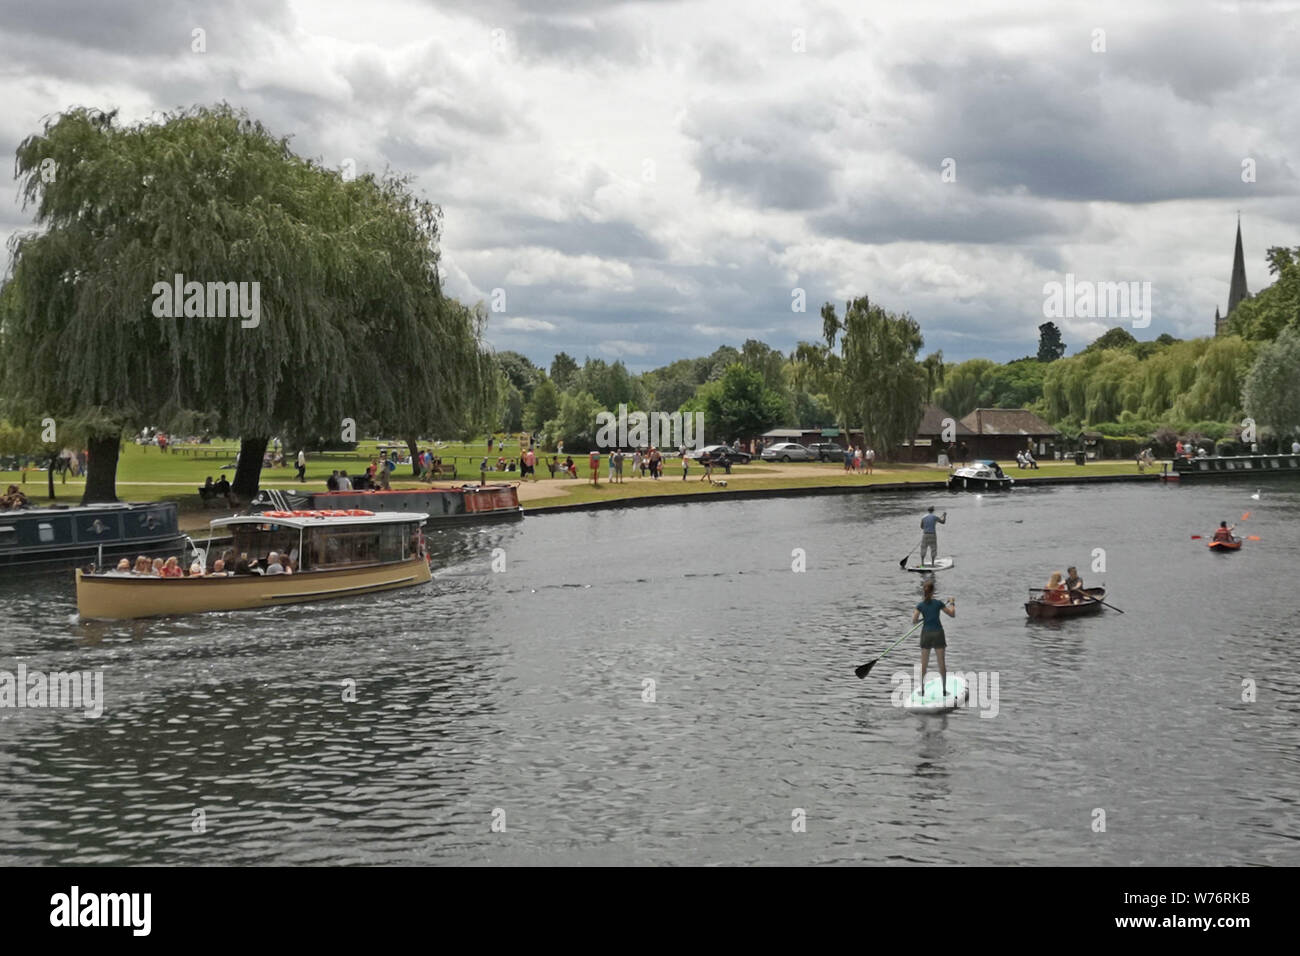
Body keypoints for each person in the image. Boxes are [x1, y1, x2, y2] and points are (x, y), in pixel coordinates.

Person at [912, 578, 956, 698]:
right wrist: (952, 603)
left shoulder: (919, 606)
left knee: (924, 665)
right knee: (941, 663)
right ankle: (944, 691)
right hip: (938, 634)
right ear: (933, 592)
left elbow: (914, 621)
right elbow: (952, 614)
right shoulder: (938, 603)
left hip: (926, 634)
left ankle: (922, 690)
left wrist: (922, 618)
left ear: (924, 592)